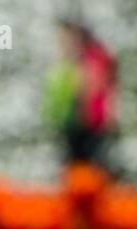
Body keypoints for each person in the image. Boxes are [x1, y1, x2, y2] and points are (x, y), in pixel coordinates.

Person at [46, 19, 116, 168]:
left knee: (85, 165)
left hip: (88, 124)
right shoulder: (84, 59)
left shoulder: (90, 59)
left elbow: (89, 88)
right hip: (85, 123)